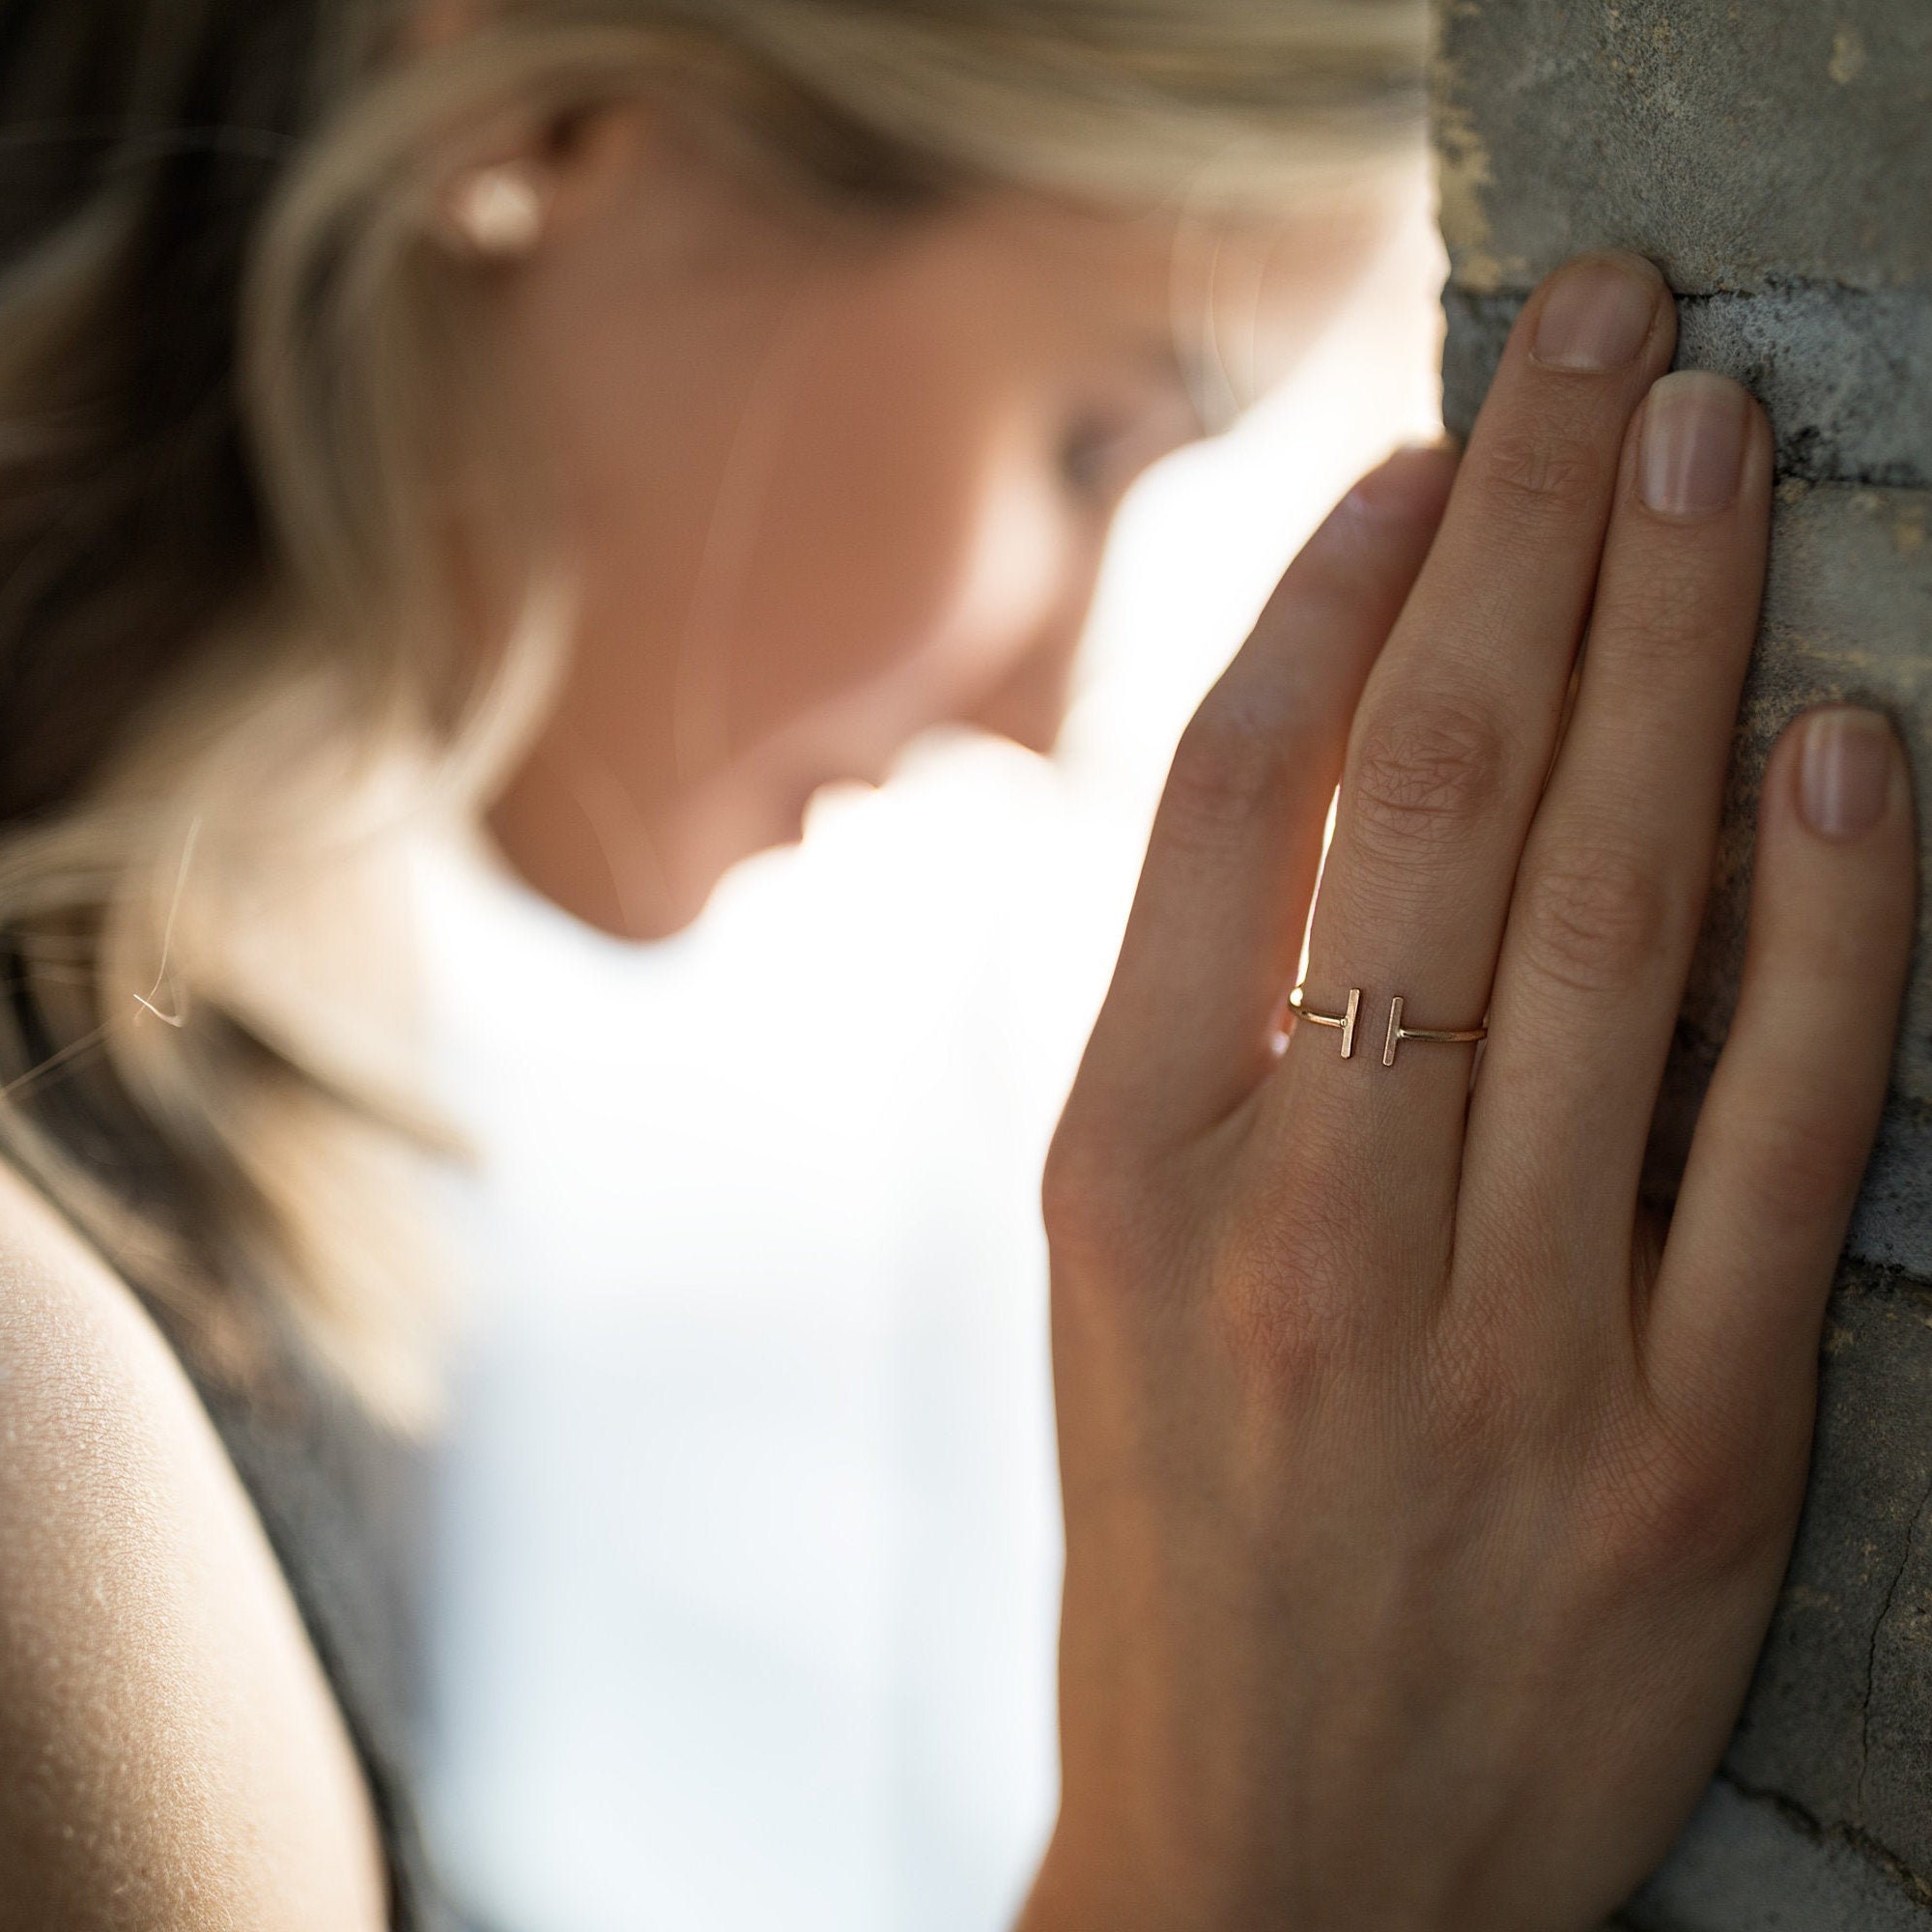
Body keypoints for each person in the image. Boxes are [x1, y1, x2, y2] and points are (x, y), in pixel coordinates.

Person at [0, 3, 1914, 1929]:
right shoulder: (35, 1433)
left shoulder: (231, 1029)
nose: (1042, 707)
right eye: (1092, 440)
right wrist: (1230, 1861)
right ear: (552, 107)